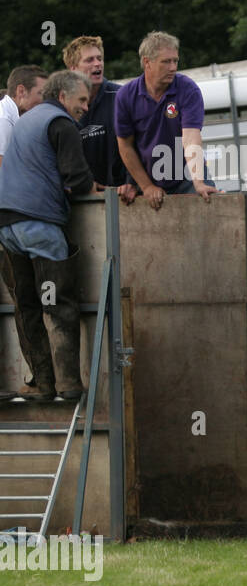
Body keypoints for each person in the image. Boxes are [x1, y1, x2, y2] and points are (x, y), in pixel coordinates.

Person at [0, 70, 95, 402]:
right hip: (39, 225)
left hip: (7, 226)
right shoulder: (60, 122)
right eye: (82, 99)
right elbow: (78, 178)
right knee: (58, 302)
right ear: (63, 96)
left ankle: (42, 384)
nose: (85, 106)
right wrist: (91, 185)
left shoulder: (27, 120)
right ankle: (69, 383)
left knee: (27, 306)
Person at [115, 31, 217, 208]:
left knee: (210, 206)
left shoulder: (188, 89)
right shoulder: (126, 96)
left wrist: (198, 182)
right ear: (147, 62)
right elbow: (125, 145)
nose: (173, 68)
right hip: (148, 174)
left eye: (175, 61)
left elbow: (191, 137)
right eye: (166, 62)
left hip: (187, 173)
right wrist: (146, 186)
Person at [62, 36, 125, 190]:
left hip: (123, 195)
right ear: (73, 69)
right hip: (81, 195)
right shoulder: (62, 106)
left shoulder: (122, 97)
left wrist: (131, 183)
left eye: (99, 58)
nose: (97, 63)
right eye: (89, 60)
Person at [0, 67, 49, 169]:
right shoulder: (3, 119)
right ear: (21, 91)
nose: (45, 100)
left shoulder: (11, 115)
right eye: (41, 93)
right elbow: (3, 169)